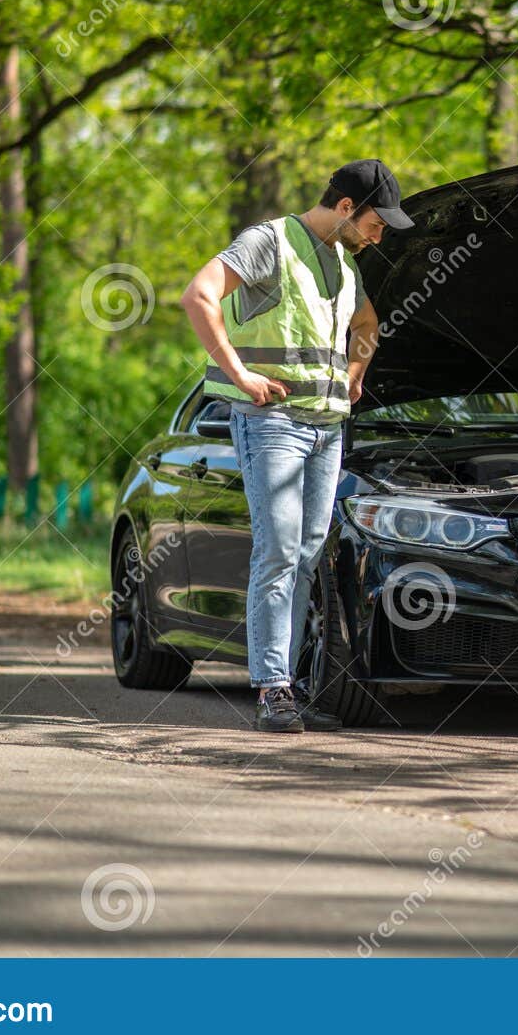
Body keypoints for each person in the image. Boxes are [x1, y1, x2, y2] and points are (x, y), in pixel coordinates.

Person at [180, 159, 413, 732]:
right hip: (273, 423)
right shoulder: (270, 241)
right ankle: (271, 689)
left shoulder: (343, 262)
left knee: (307, 554)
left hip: (327, 429)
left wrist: (355, 373)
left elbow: (367, 325)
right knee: (279, 551)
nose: (379, 237)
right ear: (345, 208)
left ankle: (292, 684)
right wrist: (239, 375)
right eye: (376, 224)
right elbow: (198, 295)